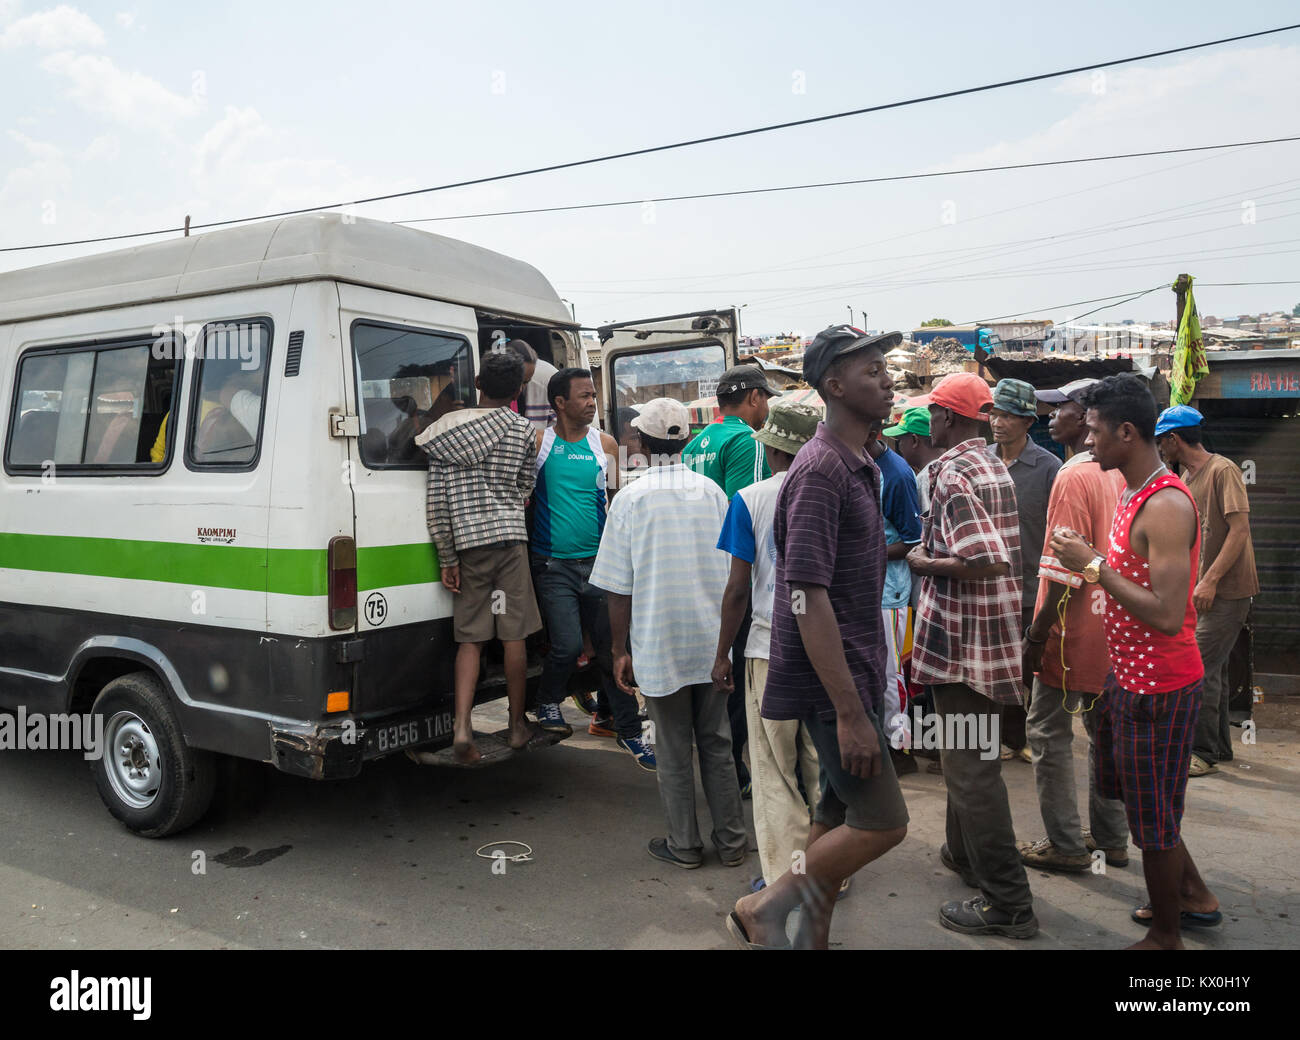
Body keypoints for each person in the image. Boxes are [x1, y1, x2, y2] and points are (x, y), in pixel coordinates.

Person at [729, 327, 909, 951]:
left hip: (855, 675)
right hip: (833, 688)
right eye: (871, 371)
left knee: (832, 819)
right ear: (834, 386)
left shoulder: (859, 462)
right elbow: (805, 597)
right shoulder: (821, 469)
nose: (887, 380)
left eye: (886, 368)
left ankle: (811, 943)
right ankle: (765, 907)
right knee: (885, 824)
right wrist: (851, 712)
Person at [1051, 374, 1219, 950]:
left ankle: (1168, 937)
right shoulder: (1130, 490)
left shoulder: (1168, 504)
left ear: (1126, 431)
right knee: (1145, 804)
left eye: (1094, 431)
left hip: (1161, 689)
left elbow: (1169, 615)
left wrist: (1092, 564)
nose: (1086, 441)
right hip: (1129, 680)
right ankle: (1193, 895)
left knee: (1153, 820)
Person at [590, 399, 746, 868]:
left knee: (675, 748)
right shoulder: (714, 493)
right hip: (712, 642)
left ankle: (684, 846)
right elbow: (733, 578)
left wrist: (620, 650)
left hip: (660, 645)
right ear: (684, 442)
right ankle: (734, 844)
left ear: (641, 443)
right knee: (717, 742)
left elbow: (618, 589)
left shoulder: (632, 499)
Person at [908, 372, 1037, 939]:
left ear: (950, 418)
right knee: (970, 763)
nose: (927, 421)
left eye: (933, 413)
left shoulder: (954, 472)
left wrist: (922, 561)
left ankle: (1009, 903)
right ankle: (964, 857)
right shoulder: (987, 463)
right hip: (984, 639)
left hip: (964, 644)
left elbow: (985, 559)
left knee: (970, 773)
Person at [1019, 378, 1129, 873]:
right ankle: (1112, 839)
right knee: (1105, 734)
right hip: (1116, 629)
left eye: (1060, 409)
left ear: (1087, 416)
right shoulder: (1124, 471)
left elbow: (1065, 575)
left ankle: (1065, 845)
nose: (1050, 418)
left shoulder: (1073, 475)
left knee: (1048, 733)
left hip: (1071, 630)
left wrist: (1038, 634)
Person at [712, 401, 823, 891]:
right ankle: (830, 870)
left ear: (773, 450)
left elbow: (738, 589)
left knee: (774, 769)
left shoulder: (750, 499)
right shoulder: (830, 494)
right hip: (824, 649)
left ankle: (785, 876)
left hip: (766, 647)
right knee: (821, 762)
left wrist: (722, 654)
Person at [416, 351, 540, 764]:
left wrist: (447, 557)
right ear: (518, 389)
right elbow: (526, 485)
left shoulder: (442, 432)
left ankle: (463, 726)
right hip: (509, 541)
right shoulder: (523, 429)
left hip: (468, 546)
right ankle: (518, 724)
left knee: (470, 639)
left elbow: (437, 504)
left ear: (478, 385)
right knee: (513, 635)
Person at [529, 367, 654, 769]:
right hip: (552, 565)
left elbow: (616, 501)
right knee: (565, 646)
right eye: (583, 396)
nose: (591, 402)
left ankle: (630, 733)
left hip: (600, 566)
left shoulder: (606, 444)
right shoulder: (538, 443)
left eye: (593, 396)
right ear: (559, 403)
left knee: (612, 652)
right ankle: (547, 701)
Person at [683, 364, 778, 798]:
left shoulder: (694, 444)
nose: (768, 409)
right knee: (737, 677)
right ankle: (737, 768)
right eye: (767, 399)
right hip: (733, 578)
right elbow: (750, 514)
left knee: (711, 677)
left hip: (698, 571)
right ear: (754, 398)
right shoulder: (747, 441)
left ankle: (712, 763)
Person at [1155, 404, 1258, 777]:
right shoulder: (1184, 477)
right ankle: (1219, 747)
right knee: (1213, 669)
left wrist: (1210, 579)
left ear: (1174, 438)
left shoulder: (1222, 470)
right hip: (1203, 590)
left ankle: (1201, 752)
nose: (1160, 449)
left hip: (1227, 589)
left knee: (1196, 668)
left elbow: (1240, 530)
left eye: (1161, 441)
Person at [988, 378, 1061, 761]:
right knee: (990, 667)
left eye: (1008, 416)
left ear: (1027, 422)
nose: (998, 422)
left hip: (1028, 588)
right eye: (994, 414)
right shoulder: (980, 462)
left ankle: (1020, 738)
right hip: (984, 587)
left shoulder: (1049, 469)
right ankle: (999, 738)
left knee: (1024, 666)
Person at [867, 418, 922, 765]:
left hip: (891, 593)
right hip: (866, 589)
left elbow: (912, 541)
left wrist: (864, 551)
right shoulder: (857, 463)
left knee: (891, 676)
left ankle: (899, 749)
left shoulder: (897, 474)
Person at [886, 405, 941, 514]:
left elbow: (929, 526)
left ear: (914, 440)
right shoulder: (949, 466)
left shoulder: (925, 479)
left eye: (900, 440)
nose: (900, 446)